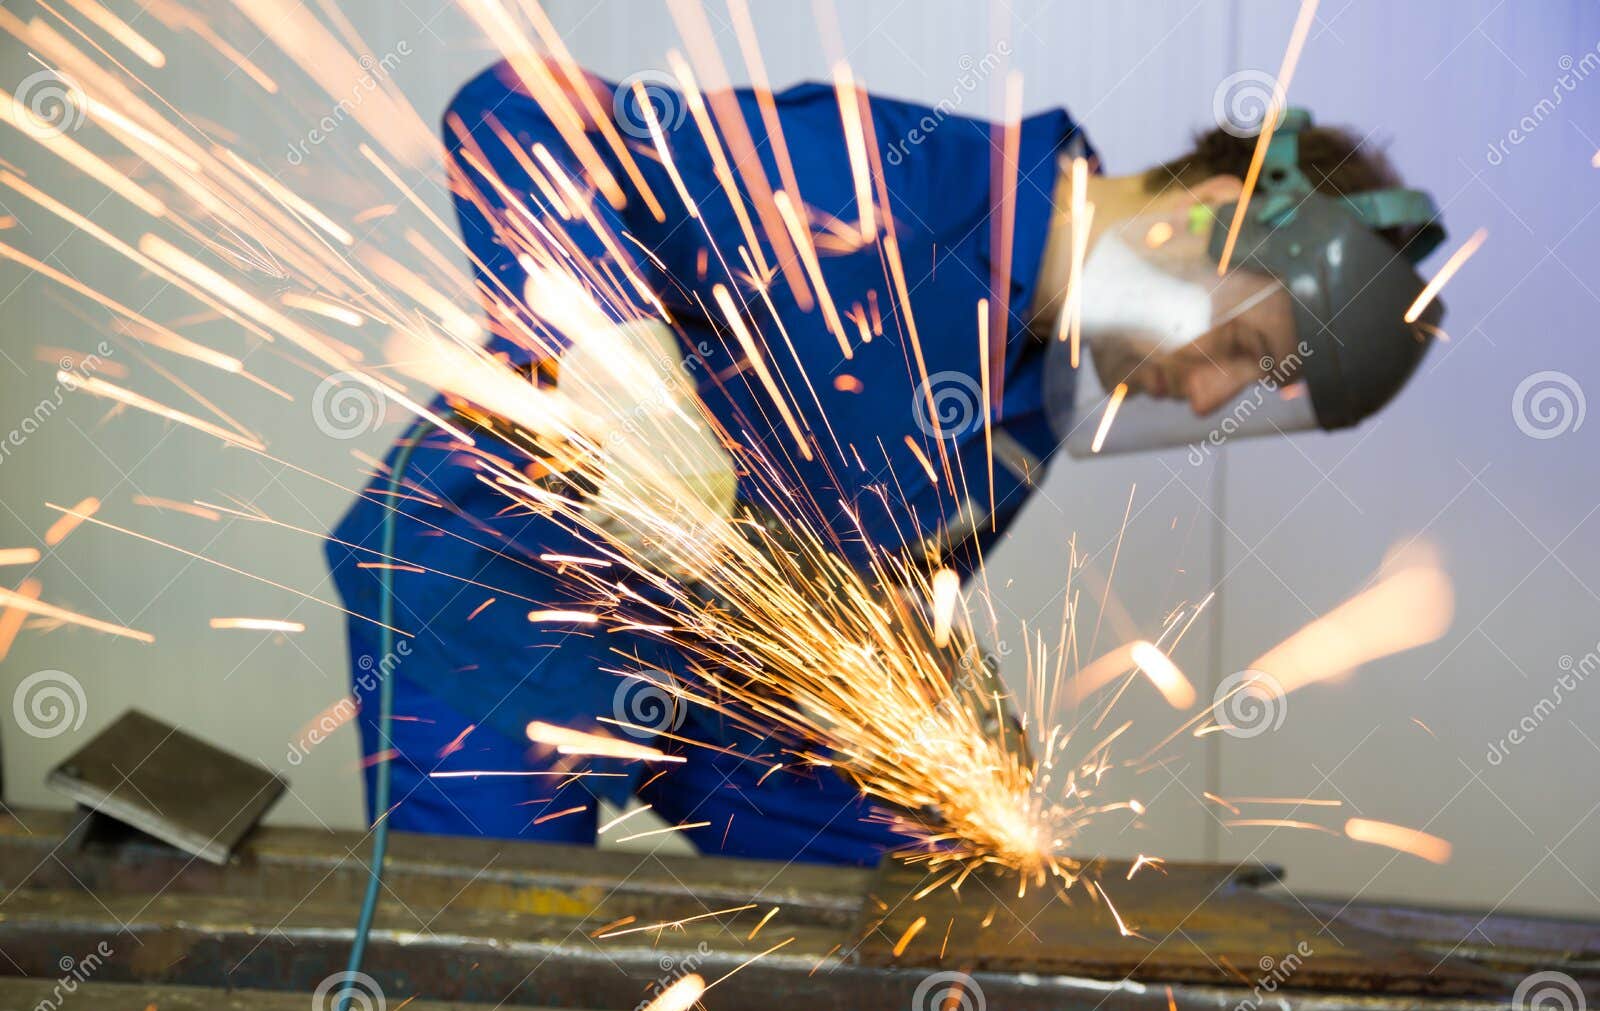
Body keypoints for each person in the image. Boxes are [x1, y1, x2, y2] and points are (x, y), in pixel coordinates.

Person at [327, 59, 1445, 865]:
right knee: (491, 966)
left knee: (938, 870)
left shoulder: (1041, 383)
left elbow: (867, 565)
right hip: (493, 601)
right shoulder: (882, 183)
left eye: (1246, 389)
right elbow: (511, 107)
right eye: (1240, 348)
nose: (1205, 397)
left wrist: (936, 682)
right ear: (1207, 215)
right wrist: (622, 366)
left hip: (719, 657)